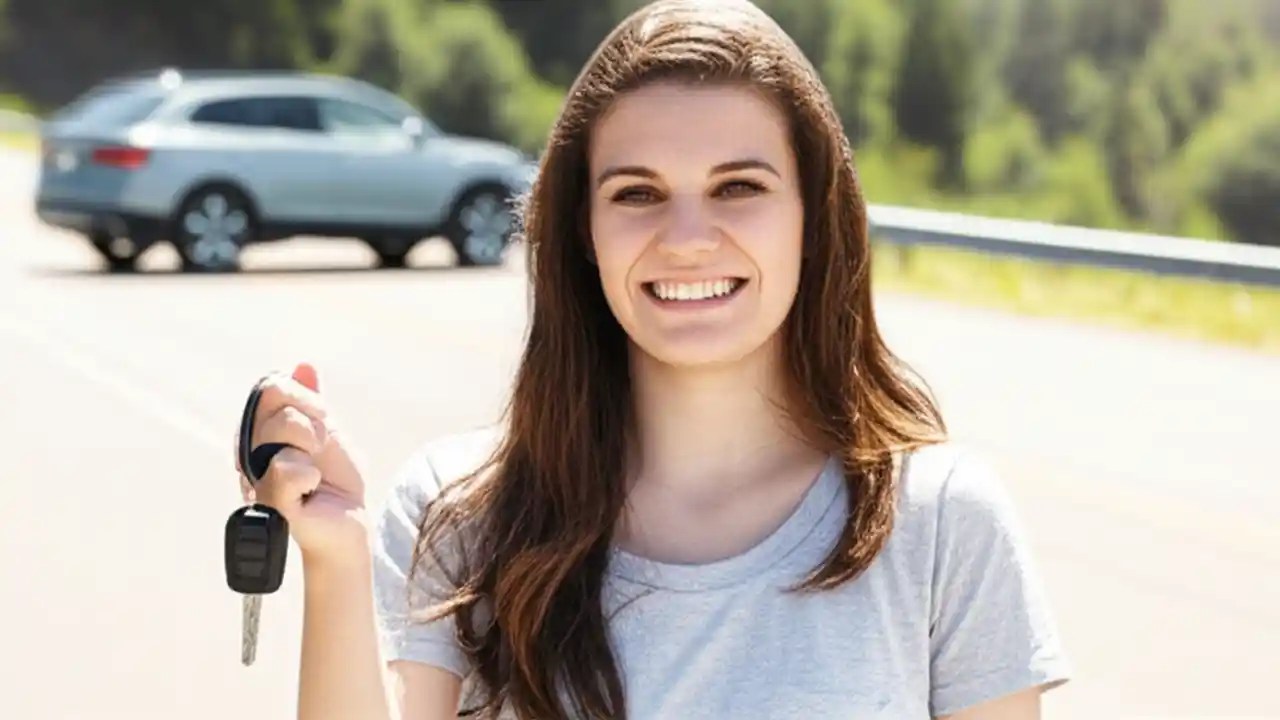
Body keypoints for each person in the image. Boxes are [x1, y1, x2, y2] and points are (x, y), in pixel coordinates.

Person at [236, 1, 1072, 718]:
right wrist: (334, 558)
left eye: (739, 187)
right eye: (637, 194)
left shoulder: (940, 521)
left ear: (814, 217)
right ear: (583, 232)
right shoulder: (459, 512)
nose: (687, 239)